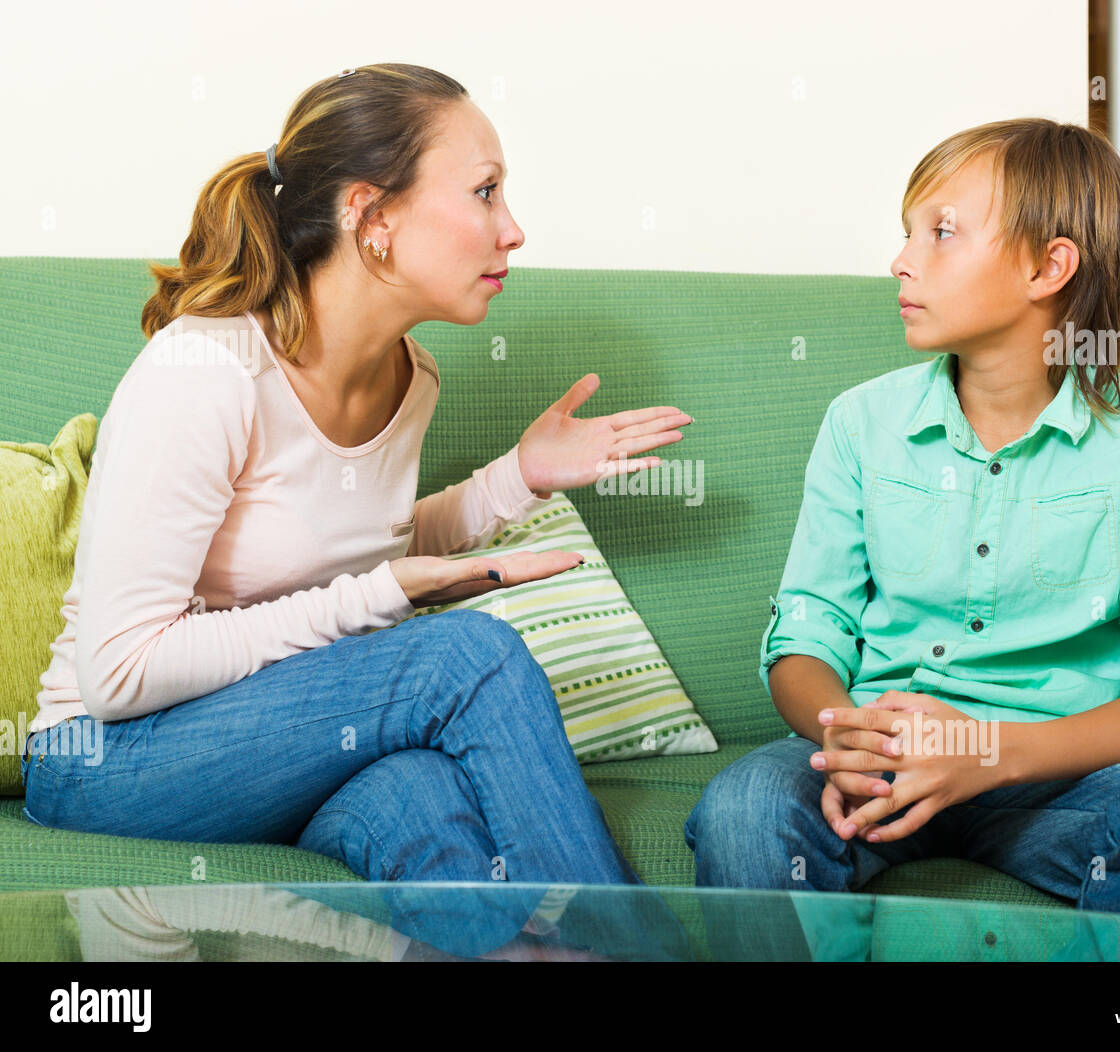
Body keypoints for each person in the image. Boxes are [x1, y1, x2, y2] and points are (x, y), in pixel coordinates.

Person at [21, 62, 693, 960]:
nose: (514, 229)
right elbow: (118, 674)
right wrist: (375, 598)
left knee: (421, 800)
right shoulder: (210, 372)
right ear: (374, 220)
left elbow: (348, 544)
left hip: (264, 738)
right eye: (485, 193)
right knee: (469, 654)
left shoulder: (411, 378)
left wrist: (519, 479)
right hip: (104, 756)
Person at [684, 117, 1120, 935]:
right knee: (746, 805)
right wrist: (847, 732)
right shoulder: (861, 422)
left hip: (1062, 783)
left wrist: (987, 752)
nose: (901, 261)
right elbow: (805, 637)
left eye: (941, 233)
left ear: (1049, 265)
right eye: (907, 233)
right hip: (883, 771)